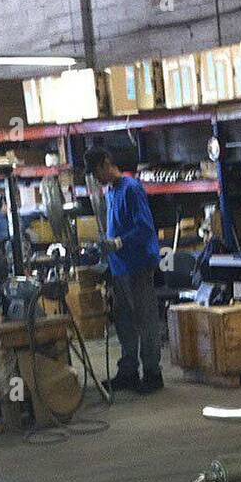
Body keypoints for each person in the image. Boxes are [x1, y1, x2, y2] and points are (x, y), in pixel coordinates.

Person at [83, 146, 163, 394]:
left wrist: (119, 242)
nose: (97, 179)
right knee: (124, 322)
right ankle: (128, 371)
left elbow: (144, 227)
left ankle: (152, 373)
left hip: (138, 264)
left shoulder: (132, 188)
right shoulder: (110, 192)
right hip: (119, 268)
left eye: (97, 172)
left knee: (145, 320)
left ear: (107, 162)